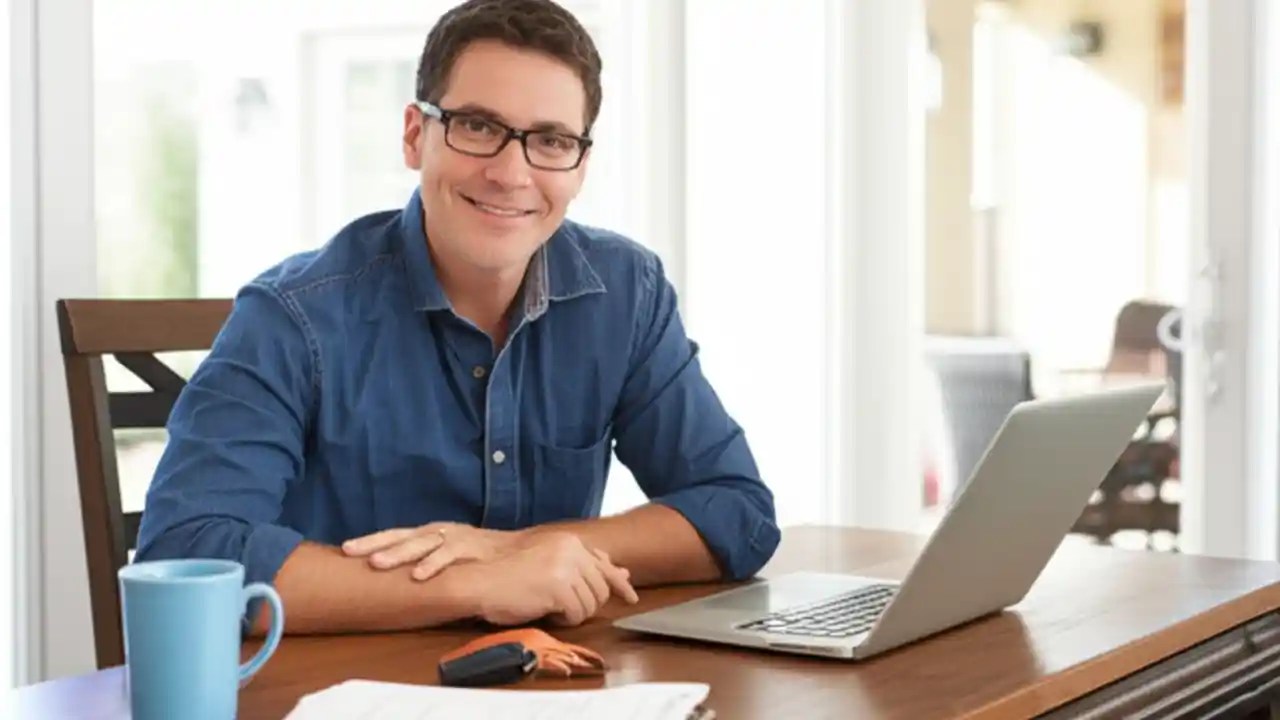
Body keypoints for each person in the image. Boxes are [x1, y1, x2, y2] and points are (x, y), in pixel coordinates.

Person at [135, 0, 779, 634]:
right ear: (417, 136)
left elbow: (735, 513)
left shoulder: (627, 294)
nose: (510, 172)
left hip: (548, 686)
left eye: (551, 141)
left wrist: (516, 548)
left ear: (580, 164)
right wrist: (474, 582)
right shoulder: (291, 317)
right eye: (477, 126)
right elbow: (188, 557)